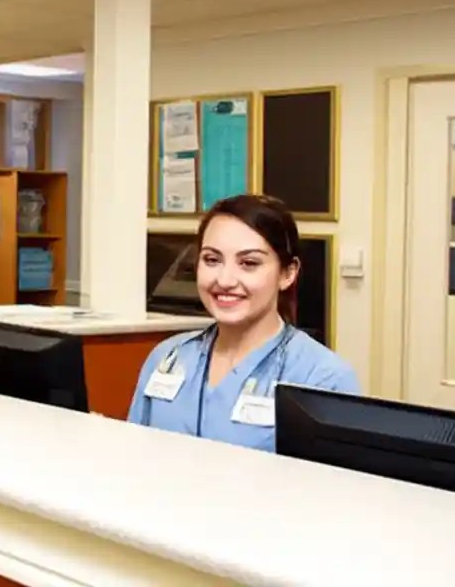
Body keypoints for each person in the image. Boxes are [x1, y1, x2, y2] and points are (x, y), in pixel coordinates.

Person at [127, 194, 358, 452]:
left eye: (248, 263)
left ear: (288, 273)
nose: (225, 280)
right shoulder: (167, 358)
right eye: (212, 260)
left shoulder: (322, 377)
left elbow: (334, 489)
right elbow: (135, 461)